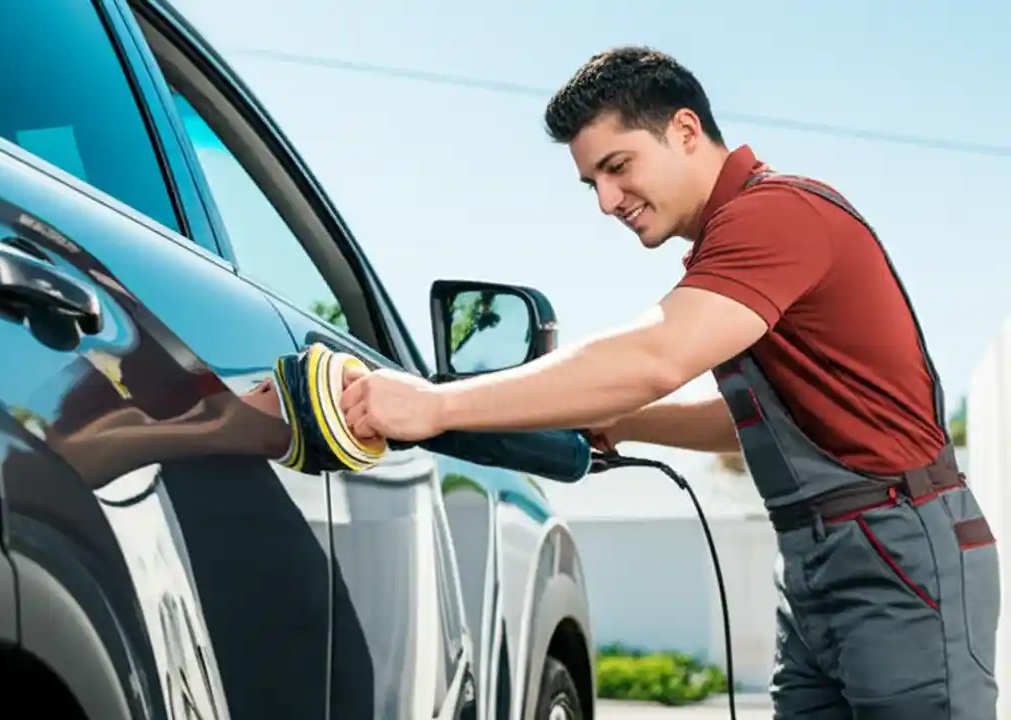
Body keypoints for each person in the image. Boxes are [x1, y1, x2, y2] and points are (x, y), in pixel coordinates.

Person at [339, 45, 999, 719]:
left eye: (617, 167)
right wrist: (626, 424)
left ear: (685, 130)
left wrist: (436, 402)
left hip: (898, 548)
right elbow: (754, 421)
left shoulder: (775, 217)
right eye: (590, 181)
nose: (605, 200)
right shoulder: (733, 244)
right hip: (818, 556)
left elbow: (656, 355)